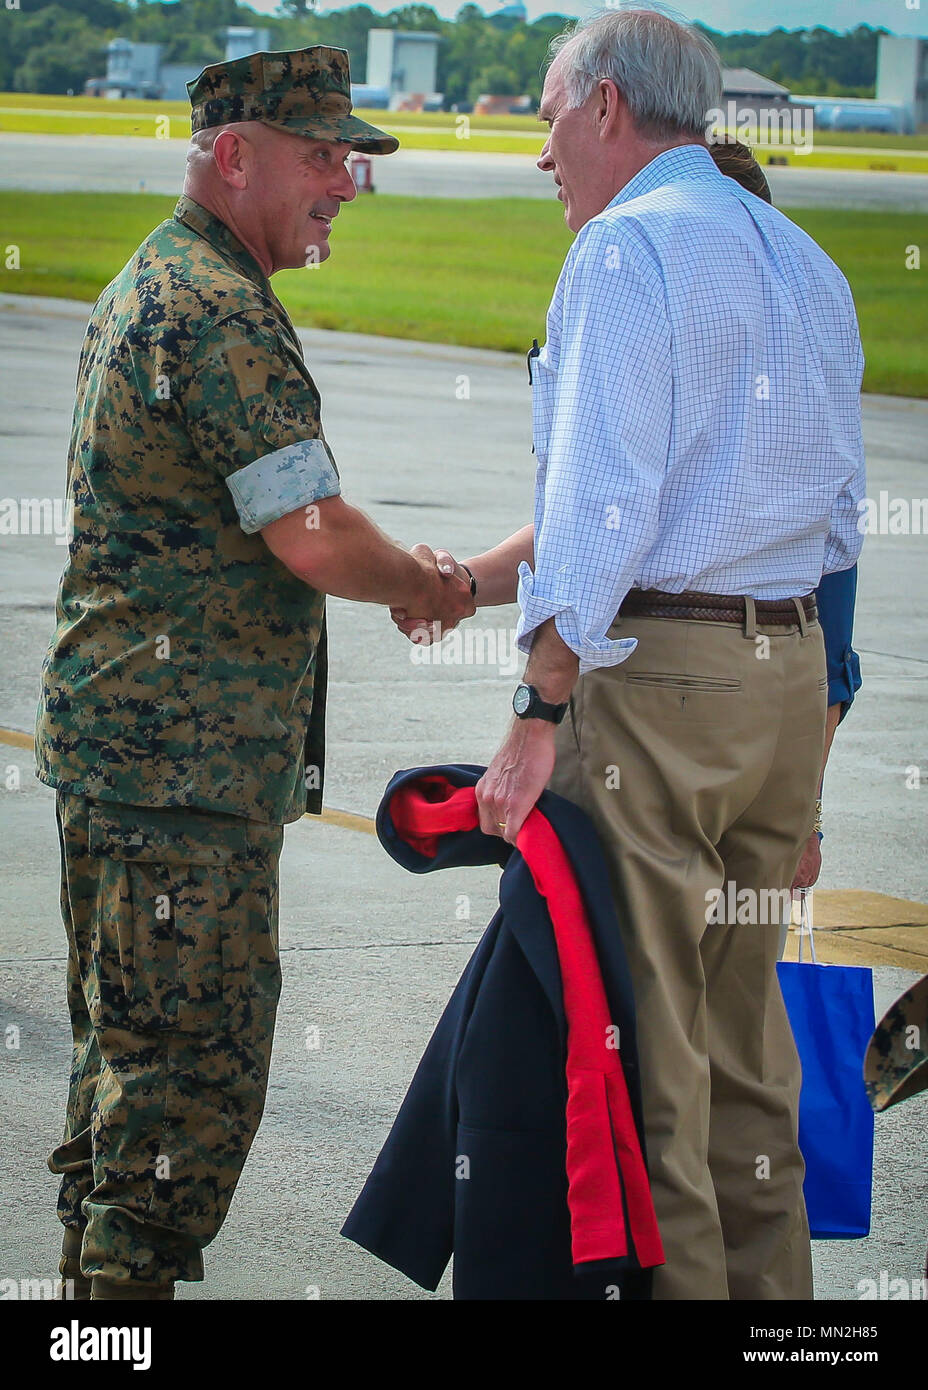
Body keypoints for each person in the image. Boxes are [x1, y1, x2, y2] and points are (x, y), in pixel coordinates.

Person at [393, 9, 866, 1299]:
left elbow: (605, 509)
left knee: (646, 1057)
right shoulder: (802, 260)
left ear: (605, 106)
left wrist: (534, 703)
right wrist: (814, 726)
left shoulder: (625, 253)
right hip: (782, 682)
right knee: (745, 1060)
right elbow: (834, 519)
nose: (543, 151)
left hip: (659, 686)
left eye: (549, 118)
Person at [35, 45, 474, 1301]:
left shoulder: (165, 277)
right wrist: (430, 586)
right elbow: (314, 531)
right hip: (180, 783)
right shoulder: (212, 309)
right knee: (177, 1118)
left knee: (127, 1100)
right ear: (237, 156)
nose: (352, 183)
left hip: (142, 765)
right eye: (325, 156)